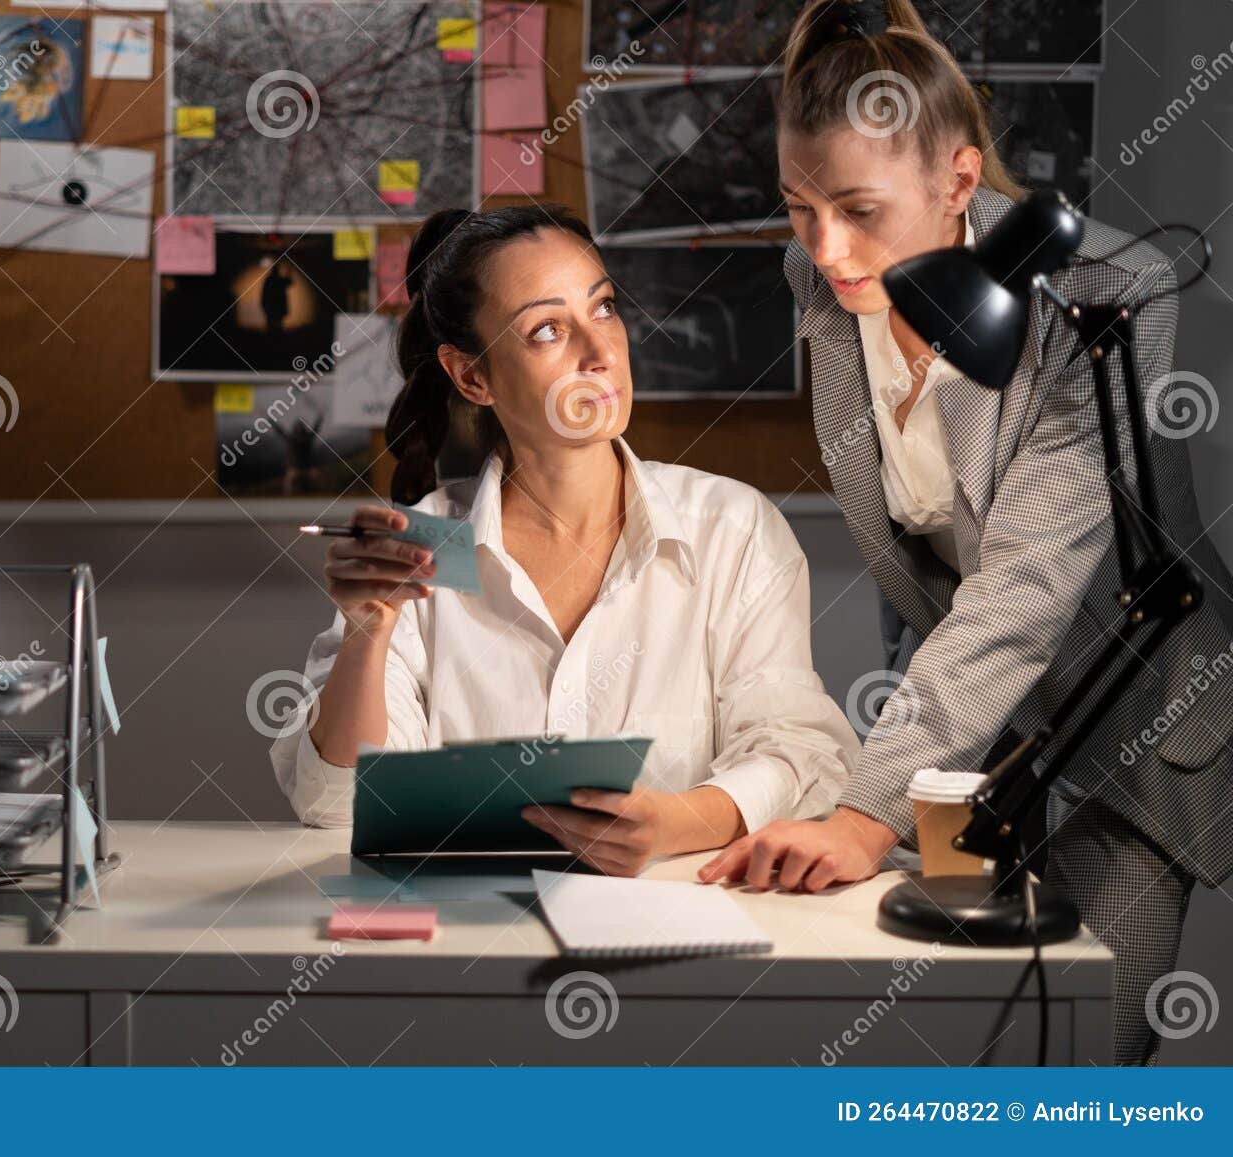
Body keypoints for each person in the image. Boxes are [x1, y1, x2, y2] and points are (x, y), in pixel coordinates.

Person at [699, 0, 1233, 1065]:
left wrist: (864, 812)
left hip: (1131, 710)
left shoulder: (1105, 298)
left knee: (1079, 1052)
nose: (827, 247)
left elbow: (1023, 584)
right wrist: (904, 776)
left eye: (856, 207)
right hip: (973, 745)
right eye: (798, 206)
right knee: (955, 1043)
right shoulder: (824, 275)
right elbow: (924, 550)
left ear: (955, 179)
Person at [269, 204, 859, 876]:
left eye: (603, 308)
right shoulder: (424, 551)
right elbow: (336, 803)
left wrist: (679, 821)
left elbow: (800, 749)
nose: (600, 352)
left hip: (676, 931)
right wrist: (365, 632)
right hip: (467, 948)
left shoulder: (731, 528)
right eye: (548, 329)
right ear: (472, 377)